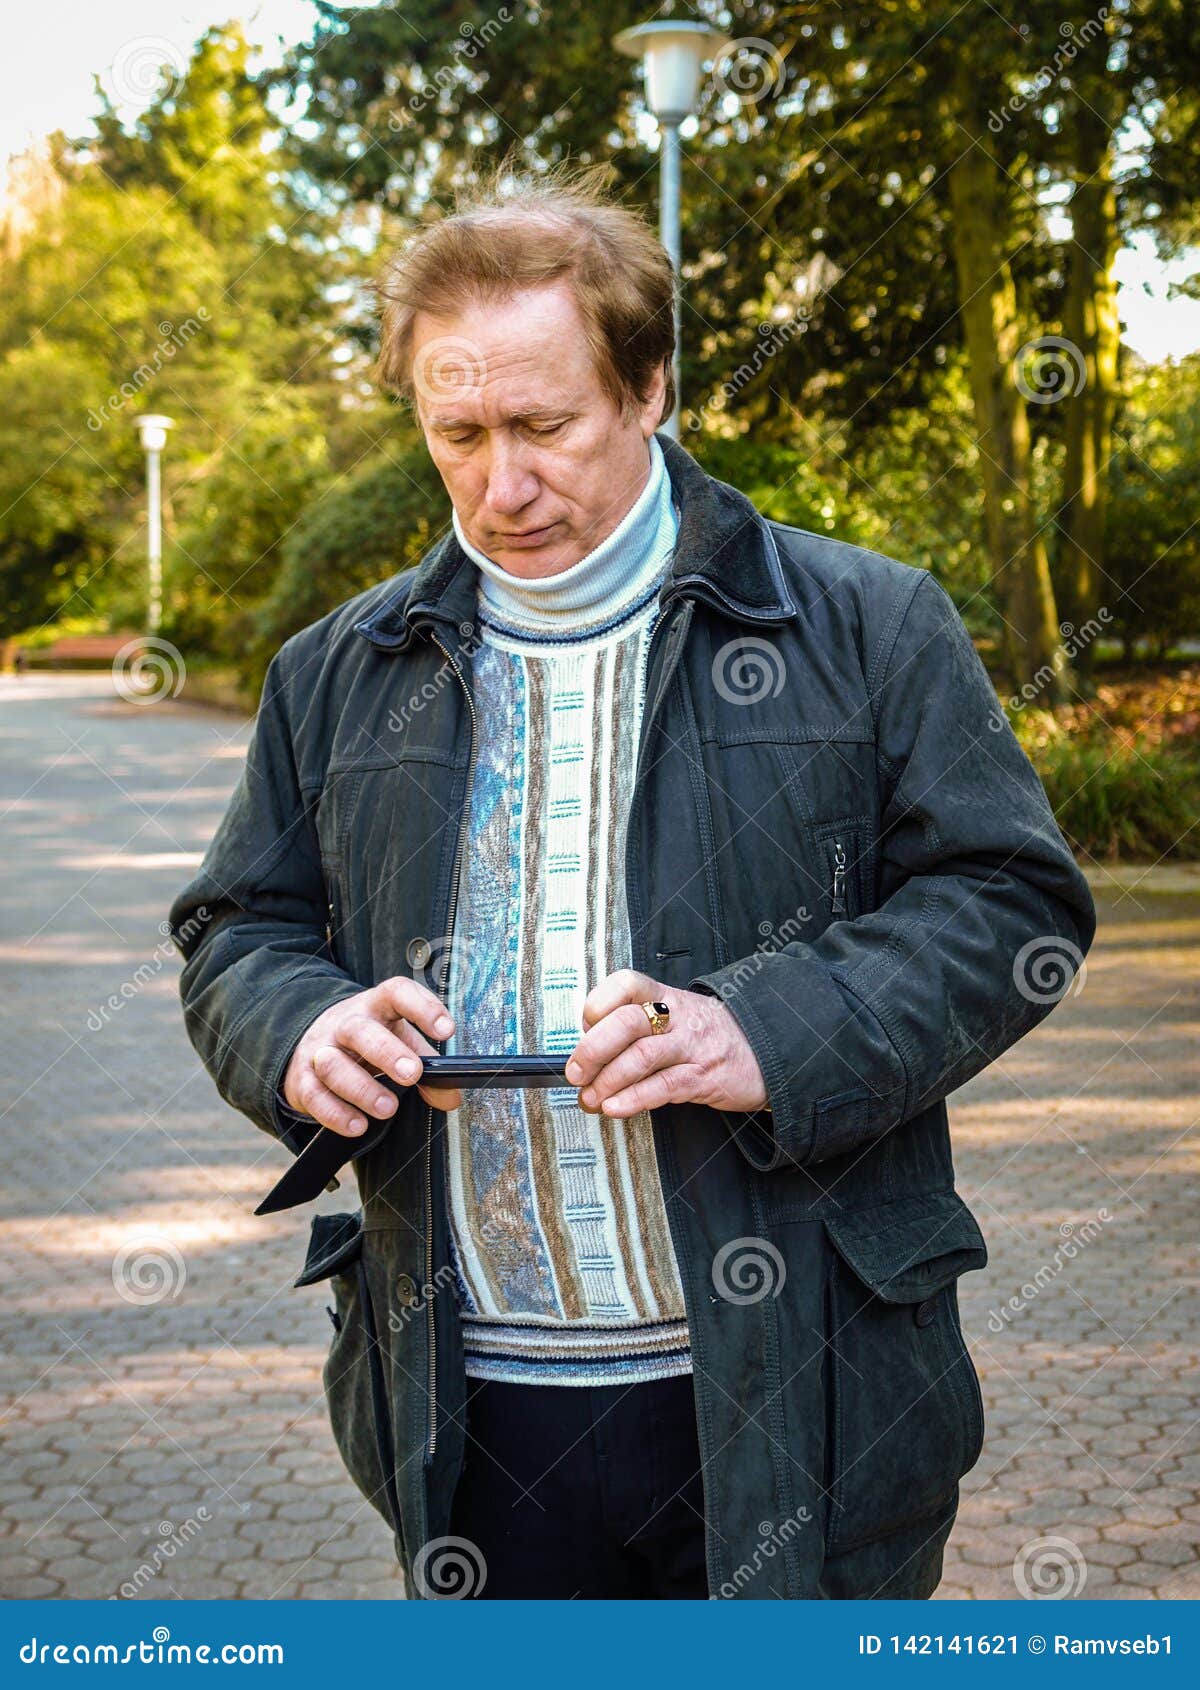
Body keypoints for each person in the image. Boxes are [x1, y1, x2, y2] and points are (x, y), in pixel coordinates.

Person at [167, 167, 1096, 1601]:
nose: (500, 482)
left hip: (809, 1387)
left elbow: (1012, 901)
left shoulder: (867, 621)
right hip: (467, 1405)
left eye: (544, 425)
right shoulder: (336, 673)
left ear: (651, 386)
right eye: (456, 432)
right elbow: (239, 925)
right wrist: (297, 1025)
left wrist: (772, 1027)